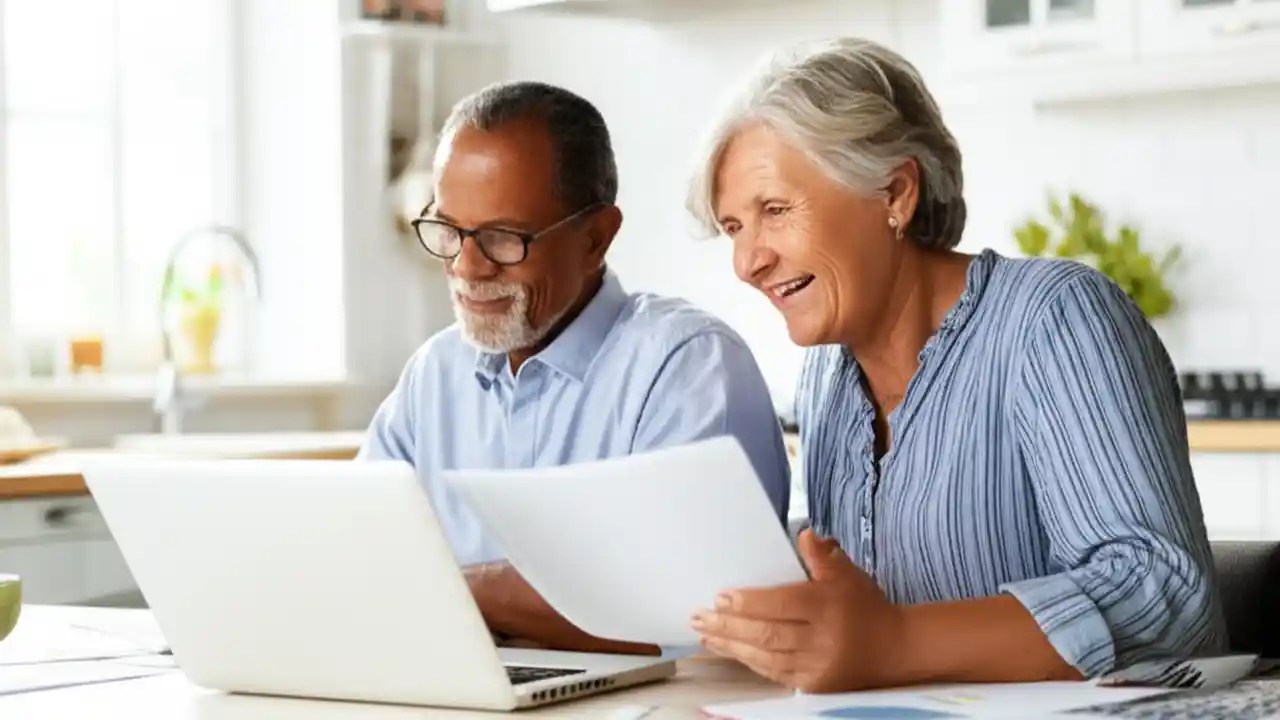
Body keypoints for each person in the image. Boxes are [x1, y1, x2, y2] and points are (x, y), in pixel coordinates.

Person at [685, 38, 1226, 692]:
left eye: (774, 211)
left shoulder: (1053, 319)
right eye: (735, 228)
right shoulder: (827, 379)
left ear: (895, 193)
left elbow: (1164, 597)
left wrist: (893, 642)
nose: (748, 263)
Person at [359, 81, 790, 655]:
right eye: (449, 229)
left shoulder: (687, 367)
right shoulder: (432, 377)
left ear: (596, 238)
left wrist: (468, 592)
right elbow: (359, 568)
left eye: (502, 238)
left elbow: (696, 621)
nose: (467, 266)